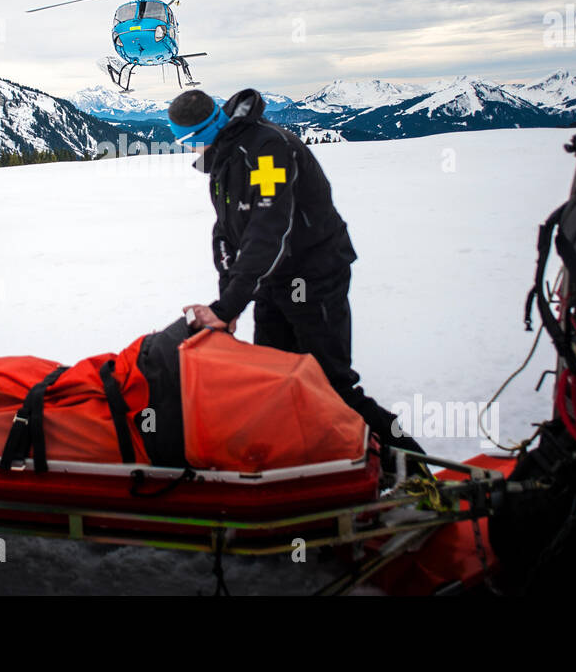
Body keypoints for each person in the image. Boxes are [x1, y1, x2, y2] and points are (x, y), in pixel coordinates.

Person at [170, 87, 424, 459]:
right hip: (272, 282)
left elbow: (270, 230)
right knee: (273, 383)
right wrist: (229, 305)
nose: (189, 152)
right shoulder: (224, 160)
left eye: (187, 143)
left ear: (199, 135)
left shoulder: (269, 148)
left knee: (332, 386)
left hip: (315, 277)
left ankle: (414, 464)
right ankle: (314, 467)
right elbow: (226, 233)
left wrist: (228, 307)